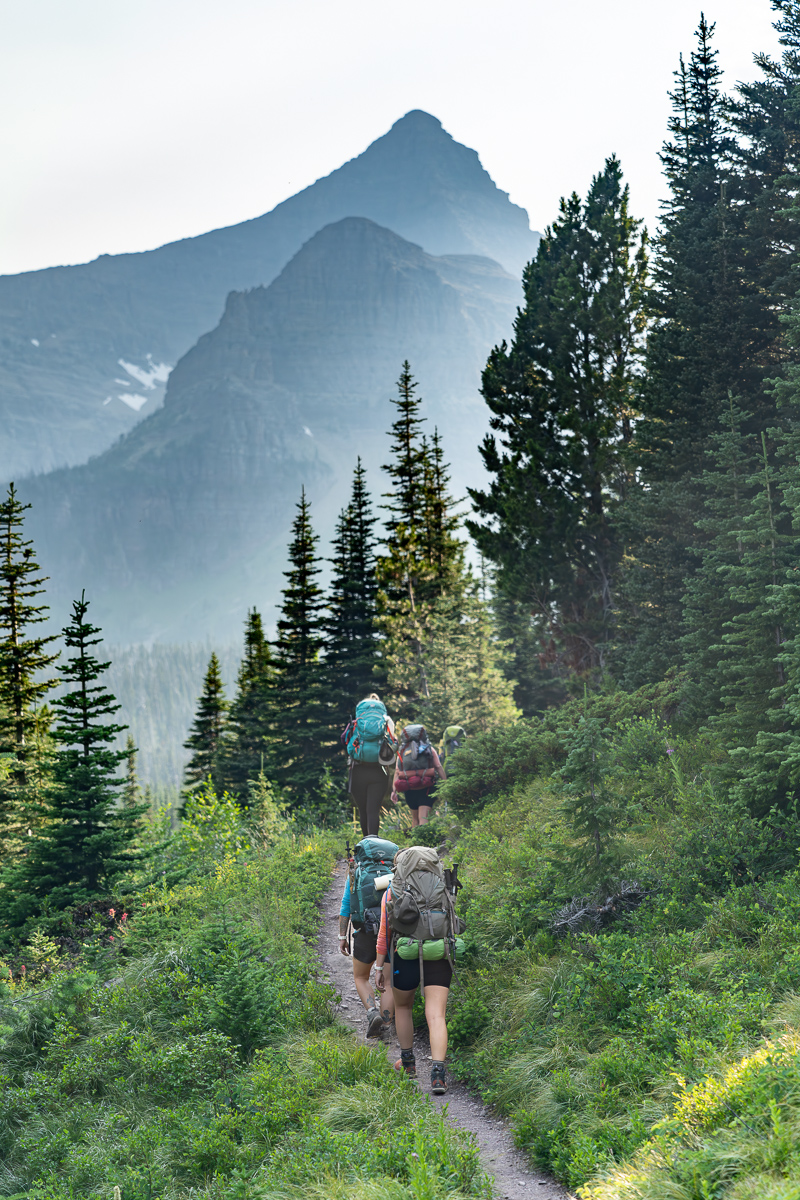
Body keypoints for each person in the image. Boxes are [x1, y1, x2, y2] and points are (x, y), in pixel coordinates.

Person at [374, 878, 451, 1095]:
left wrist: (379, 968)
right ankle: (438, 1076)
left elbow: (384, 934)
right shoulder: (440, 884)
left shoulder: (393, 890)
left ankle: (408, 1064)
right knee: (436, 1015)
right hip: (438, 952)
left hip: (405, 955)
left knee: (403, 1008)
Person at [338, 870, 394, 1038]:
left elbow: (346, 906)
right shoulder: (393, 871)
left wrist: (342, 937)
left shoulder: (356, 874)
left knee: (361, 977)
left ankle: (372, 1012)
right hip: (389, 933)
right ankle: (386, 1025)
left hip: (365, 933)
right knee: (388, 982)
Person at [347, 693, 395, 836]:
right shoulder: (386, 722)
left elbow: (347, 743)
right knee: (373, 810)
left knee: (363, 810)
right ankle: (374, 841)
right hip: (379, 771)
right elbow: (393, 744)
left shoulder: (357, 723)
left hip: (358, 771)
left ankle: (366, 842)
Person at [390, 725, 445, 827]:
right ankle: (423, 837)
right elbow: (438, 766)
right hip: (427, 788)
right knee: (423, 818)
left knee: (415, 820)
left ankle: (415, 837)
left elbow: (397, 771)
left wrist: (393, 791)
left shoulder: (402, 751)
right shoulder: (429, 749)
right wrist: (445, 784)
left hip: (410, 789)